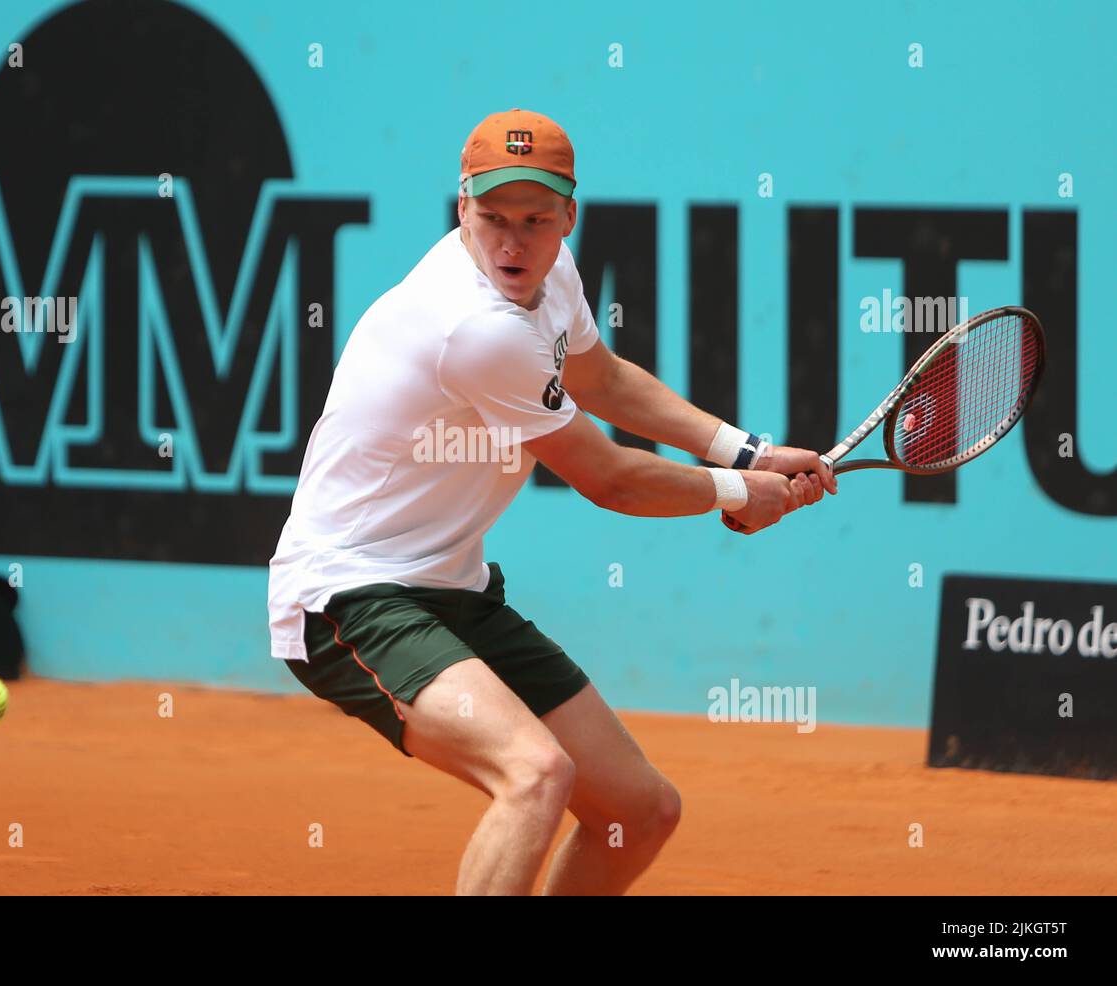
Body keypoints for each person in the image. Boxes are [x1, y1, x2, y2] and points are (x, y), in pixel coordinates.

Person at [267, 108, 836, 895]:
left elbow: (602, 378)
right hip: (347, 596)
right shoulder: (476, 328)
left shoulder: (549, 272)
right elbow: (608, 478)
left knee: (639, 813)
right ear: (461, 205)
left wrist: (748, 452)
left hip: (452, 590)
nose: (513, 242)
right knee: (534, 775)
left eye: (536, 221)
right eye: (492, 218)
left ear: (569, 214)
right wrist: (739, 494)